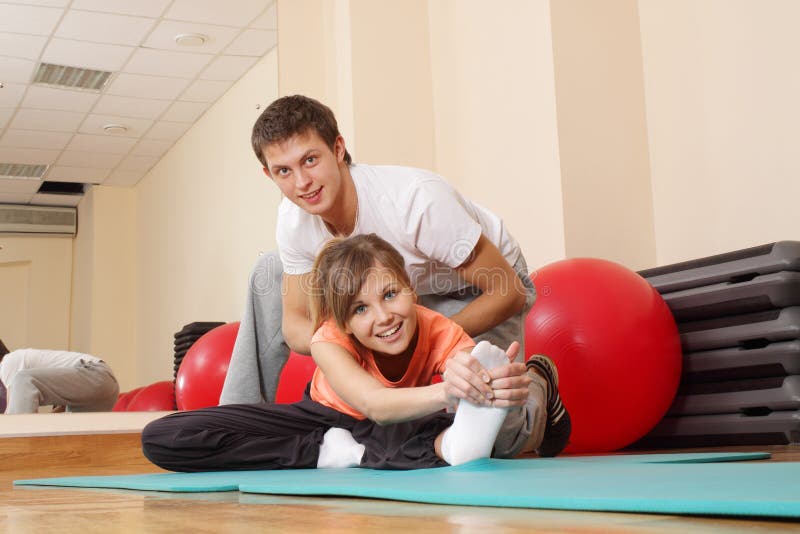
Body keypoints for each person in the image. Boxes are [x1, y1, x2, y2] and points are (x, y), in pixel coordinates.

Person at [221, 95, 568, 458]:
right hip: (394, 301)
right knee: (270, 270)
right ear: (269, 174)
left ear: (338, 149)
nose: (303, 183)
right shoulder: (293, 219)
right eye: (284, 171)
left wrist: (422, 344)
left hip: (477, 290)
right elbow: (293, 325)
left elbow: (508, 292)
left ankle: (538, 383)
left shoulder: (416, 202)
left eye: (310, 160)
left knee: (493, 441)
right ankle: (234, 423)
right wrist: (355, 344)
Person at [141, 234, 569, 471]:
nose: (383, 317)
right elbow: (374, 404)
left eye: (390, 294)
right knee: (164, 438)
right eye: (361, 309)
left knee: (450, 431)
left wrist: (483, 386)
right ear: (343, 323)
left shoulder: (441, 328)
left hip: (403, 421)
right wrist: (450, 395)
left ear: (410, 288)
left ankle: (416, 446)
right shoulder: (328, 338)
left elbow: (462, 367)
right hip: (327, 419)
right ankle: (337, 451)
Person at [0, 339, 119, 414]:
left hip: (97, 374)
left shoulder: (8, 361)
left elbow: (13, 415)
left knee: (22, 380)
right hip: (103, 391)